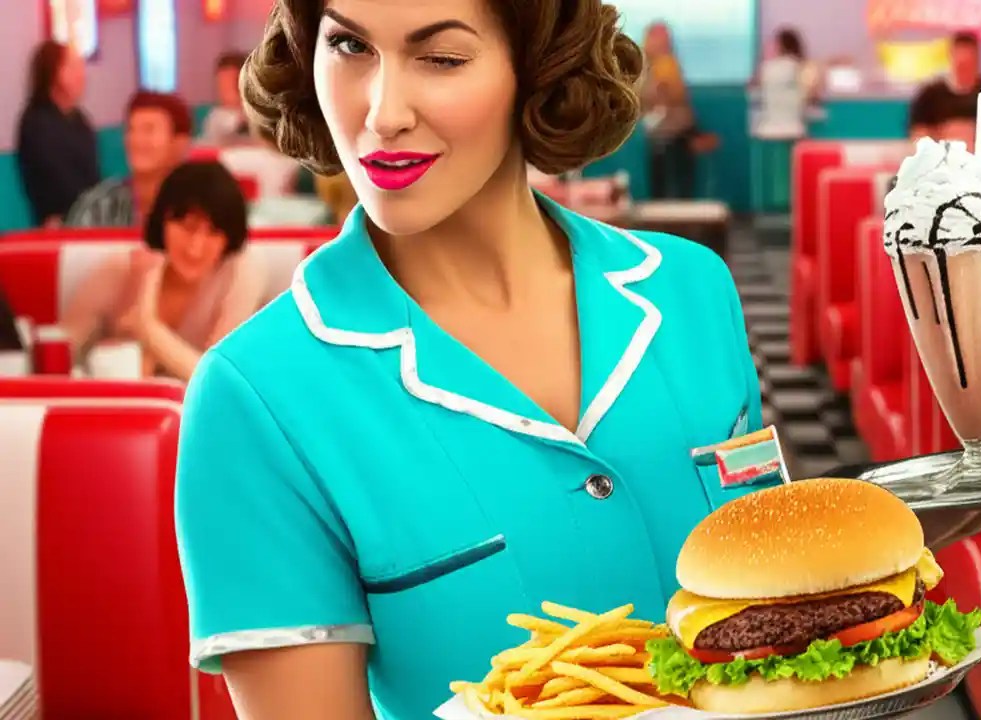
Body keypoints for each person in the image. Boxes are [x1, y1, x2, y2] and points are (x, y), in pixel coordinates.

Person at [174, 1, 770, 718]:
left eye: (442, 58)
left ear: (537, 66)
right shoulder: (253, 399)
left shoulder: (691, 290)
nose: (383, 111)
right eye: (348, 46)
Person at [61, 161, 267, 381]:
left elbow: (218, 380)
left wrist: (147, 326)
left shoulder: (242, 272)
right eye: (187, 227)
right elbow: (64, 350)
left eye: (214, 233)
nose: (195, 247)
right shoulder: (122, 267)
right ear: (163, 220)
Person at [65, 91, 192, 227]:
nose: (136, 139)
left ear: (180, 143)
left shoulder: (197, 208)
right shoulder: (98, 204)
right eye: (131, 129)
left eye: (148, 130)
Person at [16, 40, 99, 228]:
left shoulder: (80, 120)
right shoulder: (36, 123)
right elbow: (57, 184)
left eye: (81, 66)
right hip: (58, 226)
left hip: (90, 219)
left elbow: (92, 175)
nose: (82, 75)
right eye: (73, 67)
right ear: (52, 73)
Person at [907, 31, 981, 138]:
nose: (964, 70)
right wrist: (945, 134)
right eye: (960, 65)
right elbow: (917, 134)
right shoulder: (928, 97)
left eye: (969, 64)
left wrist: (976, 131)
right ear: (950, 59)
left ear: (978, 61)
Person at [640, 21, 696, 199]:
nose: (666, 41)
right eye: (660, 37)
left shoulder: (669, 63)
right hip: (656, 129)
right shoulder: (643, 65)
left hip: (676, 129)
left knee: (678, 170)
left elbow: (679, 96)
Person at [755, 27, 820, 138]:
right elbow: (811, 96)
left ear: (779, 47)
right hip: (795, 129)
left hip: (768, 131)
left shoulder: (765, 70)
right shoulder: (803, 69)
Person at [200, 52, 251, 145]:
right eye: (220, 84)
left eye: (229, 83)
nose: (223, 91)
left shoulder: (260, 115)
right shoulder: (216, 116)